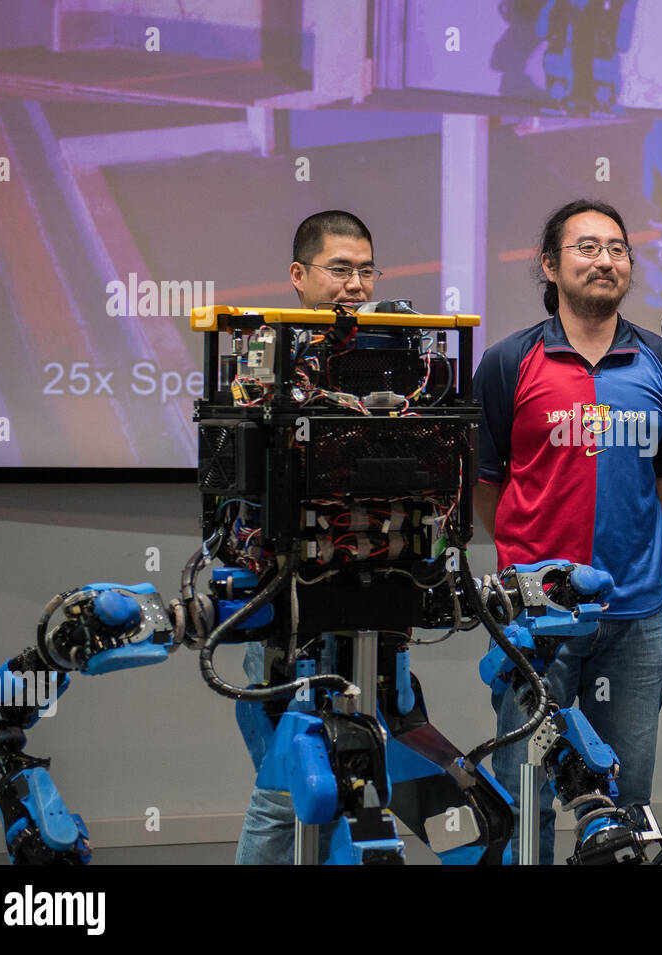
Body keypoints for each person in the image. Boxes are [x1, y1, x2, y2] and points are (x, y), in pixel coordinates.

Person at [473, 199, 662, 864]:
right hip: (536, 624)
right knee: (526, 792)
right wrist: (533, 563)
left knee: (626, 800)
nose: (606, 260)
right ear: (550, 265)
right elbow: (490, 486)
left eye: (618, 249)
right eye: (587, 247)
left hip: (637, 617)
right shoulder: (508, 362)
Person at [235, 210, 382, 865]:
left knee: (356, 773)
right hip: (285, 600)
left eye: (366, 270)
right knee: (285, 784)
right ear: (299, 275)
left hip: (373, 588)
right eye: (340, 269)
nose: (356, 283)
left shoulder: (391, 350)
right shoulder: (268, 350)